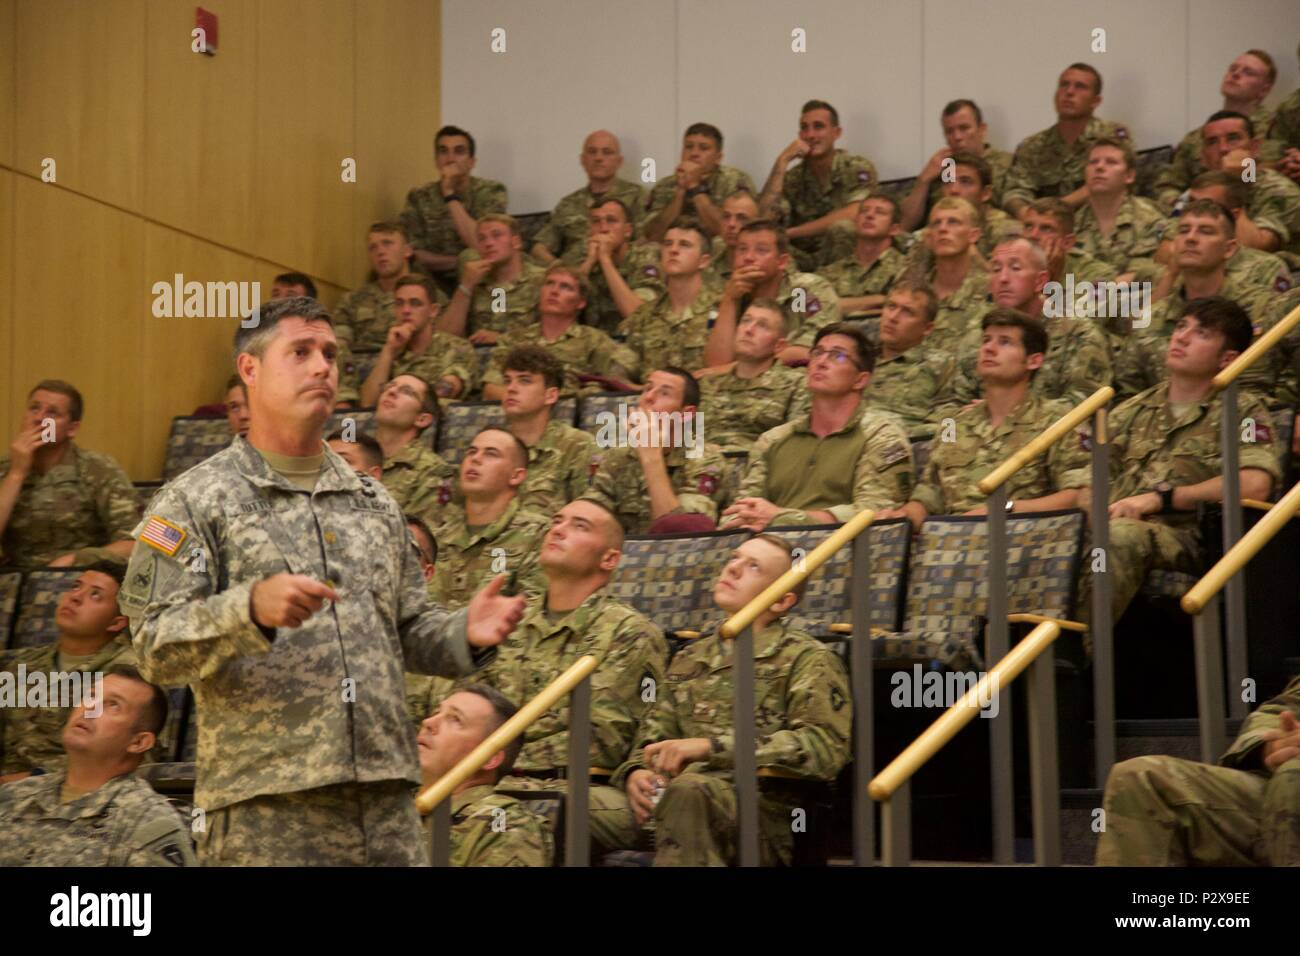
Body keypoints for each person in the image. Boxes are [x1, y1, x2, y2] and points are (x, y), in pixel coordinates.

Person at [119, 296, 526, 866]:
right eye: (301, 352)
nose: (323, 368)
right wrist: (249, 609)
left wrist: (465, 634)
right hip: (268, 804)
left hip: (384, 798)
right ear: (250, 370)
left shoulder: (373, 500)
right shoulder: (193, 501)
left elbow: (406, 628)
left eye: (331, 354)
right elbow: (155, 648)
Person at [614, 533, 852, 866]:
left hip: (765, 812)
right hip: (671, 799)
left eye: (753, 567)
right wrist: (636, 772)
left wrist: (713, 748)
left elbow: (823, 747)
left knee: (690, 792)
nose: (734, 568)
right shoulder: (690, 655)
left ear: (781, 601)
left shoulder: (808, 659)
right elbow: (652, 737)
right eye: (735, 558)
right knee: (563, 809)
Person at [469, 499, 670, 855]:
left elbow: (600, 739)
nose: (558, 529)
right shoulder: (509, 620)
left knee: (494, 814)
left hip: (575, 783)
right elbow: (470, 703)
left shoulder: (627, 631)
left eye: (579, 526)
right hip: (488, 772)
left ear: (609, 559)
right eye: (557, 520)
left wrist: (489, 755)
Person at [1081, 297, 1279, 623]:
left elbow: (1255, 484)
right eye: (1181, 326)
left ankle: (1074, 655)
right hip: (1113, 525)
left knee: (1118, 538)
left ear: (1227, 358)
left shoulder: (1242, 410)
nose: (1181, 337)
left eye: (1201, 333)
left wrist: (1162, 499)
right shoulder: (1132, 409)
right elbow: (1091, 477)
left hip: (1191, 540)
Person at [877, 310, 1089, 530]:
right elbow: (928, 495)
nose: (989, 348)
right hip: (950, 544)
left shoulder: (1058, 419)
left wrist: (1003, 510)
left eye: (1005, 342)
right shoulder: (952, 424)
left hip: (1023, 540)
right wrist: (903, 517)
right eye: (986, 340)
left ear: (1033, 361)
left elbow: (1076, 495)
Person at [0, 666, 197, 866]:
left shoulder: (147, 822)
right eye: (90, 696)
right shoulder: (13, 797)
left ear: (138, 742)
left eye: (113, 705)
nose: (90, 708)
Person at [1095, 675, 1300, 866]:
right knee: (1139, 778)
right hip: (1279, 797)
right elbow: (1277, 712)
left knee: (1292, 778)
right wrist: (1272, 743)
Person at [724, 324, 912, 532]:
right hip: (763, 553)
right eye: (817, 353)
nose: (821, 362)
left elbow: (874, 513)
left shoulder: (882, 436)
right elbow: (742, 512)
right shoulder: (772, 439)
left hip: (840, 553)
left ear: (860, 380)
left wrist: (783, 518)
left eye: (837, 356)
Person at [1115, 200, 1274, 399]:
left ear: (1229, 249)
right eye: (1183, 230)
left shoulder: (1261, 307)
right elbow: (1127, 389)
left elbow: (1267, 383)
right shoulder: (1153, 314)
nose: (1190, 238)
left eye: (1206, 231)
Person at [0, 562, 136, 782]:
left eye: (95, 595)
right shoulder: (21, 665)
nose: (75, 597)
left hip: (77, 796)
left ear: (116, 622)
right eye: (75, 587)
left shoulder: (129, 676)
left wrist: (31, 778)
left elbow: (132, 757)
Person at [0, 380, 138, 569]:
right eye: (34, 408)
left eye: (52, 413)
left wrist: (75, 560)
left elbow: (134, 542)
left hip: (77, 580)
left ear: (72, 429)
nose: (39, 419)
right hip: (15, 583)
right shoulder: (5, 469)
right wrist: (16, 474)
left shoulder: (98, 469)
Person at [416, 685, 553, 866]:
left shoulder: (503, 821)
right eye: (436, 712)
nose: (429, 722)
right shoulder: (394, 804)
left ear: (489, 758)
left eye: (456, 719)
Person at [581, 368, 729, 534]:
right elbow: (590, 515)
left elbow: (682, 536)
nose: (648, 397)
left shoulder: (706, 460)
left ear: (686, 415)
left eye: (664, 393)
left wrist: (651, 455)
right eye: (647, 388)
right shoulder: (618, 455)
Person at [429, 428, 549, 609]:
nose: (475, 459)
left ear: (516, 476)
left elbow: (531, 614)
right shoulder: (437, 537)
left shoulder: (539, 535)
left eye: (491, 454)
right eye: (471, 452)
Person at [481, 264, 636, 400]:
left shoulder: (593, 339)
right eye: (549, 284)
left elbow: (625, 370)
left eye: (565, 287)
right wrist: (534, 401)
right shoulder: (513, 340)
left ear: (581, 302)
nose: (554, 291)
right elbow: (491, 389)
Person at [988, 236, 1112, 405]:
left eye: (1015, 268)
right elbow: (952, 401)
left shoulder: (1078, 334)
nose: (1003, 278)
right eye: (996, 269)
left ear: (1040, 281)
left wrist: (1008, 409)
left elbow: (1086, 407)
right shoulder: (983, 335)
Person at [1154, 50, 1282, 211]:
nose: (1235, 74)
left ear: (1264, 89)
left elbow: (1276, 178)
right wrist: (1181, 205)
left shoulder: (1276, 129)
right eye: (1233, 69)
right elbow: (1168, 184)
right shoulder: (1195, 138)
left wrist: (1244, 170)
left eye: (1248, 72)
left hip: (1254, 213)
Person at [757, 99, 877, 270]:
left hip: (843, 261)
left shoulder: (857, 167)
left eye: (818, 126)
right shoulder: (793, 177)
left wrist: (791, 233)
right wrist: (782, 162)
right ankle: (793, 296)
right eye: (804, 128)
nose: (810, 135)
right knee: (766, 245)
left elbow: (856, 213)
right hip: (802, 259)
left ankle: (835, 294)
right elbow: (763, 220)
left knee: (842, 228)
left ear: (836, 133)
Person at [704, 219, 842, 366]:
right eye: (742, 249)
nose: (748, 257)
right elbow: (716, 364)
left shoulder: (799, 294)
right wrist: (730, 301)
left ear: (782, 261)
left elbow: (812, 349)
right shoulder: (726, 298)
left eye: (761, 250)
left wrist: (736, 368)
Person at [1002, 63, 1132, 217]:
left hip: (1095, 220)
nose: (1069, 92)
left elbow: (1112, 183)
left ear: (1095, 101)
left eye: (1080, 87)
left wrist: (1057, 209)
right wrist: (1027, 214)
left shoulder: (1111, 136)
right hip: (1044, 227)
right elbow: (1015, 191)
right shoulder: (1033, 146)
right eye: (1064, 85)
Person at [499, 346, 601, 515]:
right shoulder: (490, 446)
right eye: (507, 381)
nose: (511, 388)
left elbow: (590, 513)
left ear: (551, 395)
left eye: (525, 381)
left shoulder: (577, 446)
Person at [865, 282, 974, 440]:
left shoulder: (941, 364)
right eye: (891, 306)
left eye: (907, 312)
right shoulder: (859, 357)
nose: (893, 317)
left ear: (927, 328)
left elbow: (950, 425)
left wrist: (905, 434)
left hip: (903, 448)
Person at [695, 299, 803, 454]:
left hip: (757, 470)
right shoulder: (706, 385)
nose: (749, 330)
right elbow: (686, 442)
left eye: (762, 325)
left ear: (779, 346)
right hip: (700, 470)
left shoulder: (795, 384)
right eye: (745, 321)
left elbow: (795, 447)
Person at [400, 125, 508, 277]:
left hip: (479, 276)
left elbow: (481, 245)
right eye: (443, 151)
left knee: (472, 257)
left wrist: (449, 195)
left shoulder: (492, 191)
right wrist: (458, 262)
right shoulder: (418, 197)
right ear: (436, 161)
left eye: (459, 151)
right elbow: (412, 253)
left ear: (471, 162)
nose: (450, 159)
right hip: (431, 279)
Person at [620, 219, 720, 379]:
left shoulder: (721, 310)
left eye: (684, 245)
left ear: (704, 261)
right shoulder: (643, 316)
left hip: (704, 402)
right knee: (613, 404)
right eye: (667, 244)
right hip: (651, 402)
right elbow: (620, 373)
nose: (673, 250)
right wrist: (635, 393)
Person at [531, 130, 647, 266]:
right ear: (583, 160)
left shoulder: (636, 195)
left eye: (607, 152)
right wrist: (561, 269)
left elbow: (645, 240)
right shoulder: (568, 203)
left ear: (619, 161)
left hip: (615, 273)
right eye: (592, 152)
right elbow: (539, 248)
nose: (598, 158)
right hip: (572, 278)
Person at [358, 275, 477, 405]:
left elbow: (448, 388)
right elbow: (367, 403)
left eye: (415, 303)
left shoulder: (458, 347)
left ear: (433, 311)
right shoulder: (392, 352)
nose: (406, 310)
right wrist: (389, 350)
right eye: (399, 303)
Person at [1194, 110, 1300, 255]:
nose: (1223, 149)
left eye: (1233, 138)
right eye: (1212, 142)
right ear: (1203, 156)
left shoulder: (1276, 188)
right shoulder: (1200, 189)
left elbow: (1254, 248)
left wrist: (1236, 182)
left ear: (1254, 147)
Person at [899, 98, 1014, 231]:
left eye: (964, 128)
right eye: (949, 131)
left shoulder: (1008, 163)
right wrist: (923, 181)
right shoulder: (941, 168)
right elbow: (904, 226)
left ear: (982, 129)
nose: (957, 137)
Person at [438, 214, 546, 345]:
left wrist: (502, 339)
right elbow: (444, 338)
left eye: (497, 235)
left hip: (522, 358)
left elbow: (553, 335)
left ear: (516, 242)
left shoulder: (542, 280)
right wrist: (465, 287)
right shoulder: (474, 280)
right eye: (482, 239)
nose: (488, 243)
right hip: (478, 358)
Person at [1071, 137, 1165, 283]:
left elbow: (1145, 274)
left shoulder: (1150, 219)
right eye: (1093, 162)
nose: (1099, 167)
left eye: (1111, 162)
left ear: (1129, 176)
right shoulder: (1072, 225)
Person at [643, 123, 756, 241]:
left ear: (718, 158)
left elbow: (726, 231)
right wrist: (680, 192)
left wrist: (695, 187)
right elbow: (652, 236)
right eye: (689, 146)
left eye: (704, 148)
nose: (694, 154)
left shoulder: (734, 180)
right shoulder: (665, 185)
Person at [576, 197, 665, 335]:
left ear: (628, 230)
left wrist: (605, 260)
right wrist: (588, 263)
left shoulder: (646, 255)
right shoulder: (584, 256)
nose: (603, 229)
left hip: (636, 342)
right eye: (596, 222)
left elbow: (638, 314)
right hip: (593, 345)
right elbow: (563, 308)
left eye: (611, 220)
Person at [918, 197, 992, 353]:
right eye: (936, 223)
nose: (942, 229)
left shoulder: (991, 291)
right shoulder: (916, 294)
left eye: (953, 222)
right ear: (929, 236)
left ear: (974, 235)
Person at [816, 194, 907, 317]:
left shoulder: (905, 267)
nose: (869, 216)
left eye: (880, 212)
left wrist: (840, 306)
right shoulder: (830, 272)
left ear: (894, 229)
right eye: (864, 211)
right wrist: (879, 299)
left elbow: (901, 307)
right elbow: (809, 308)